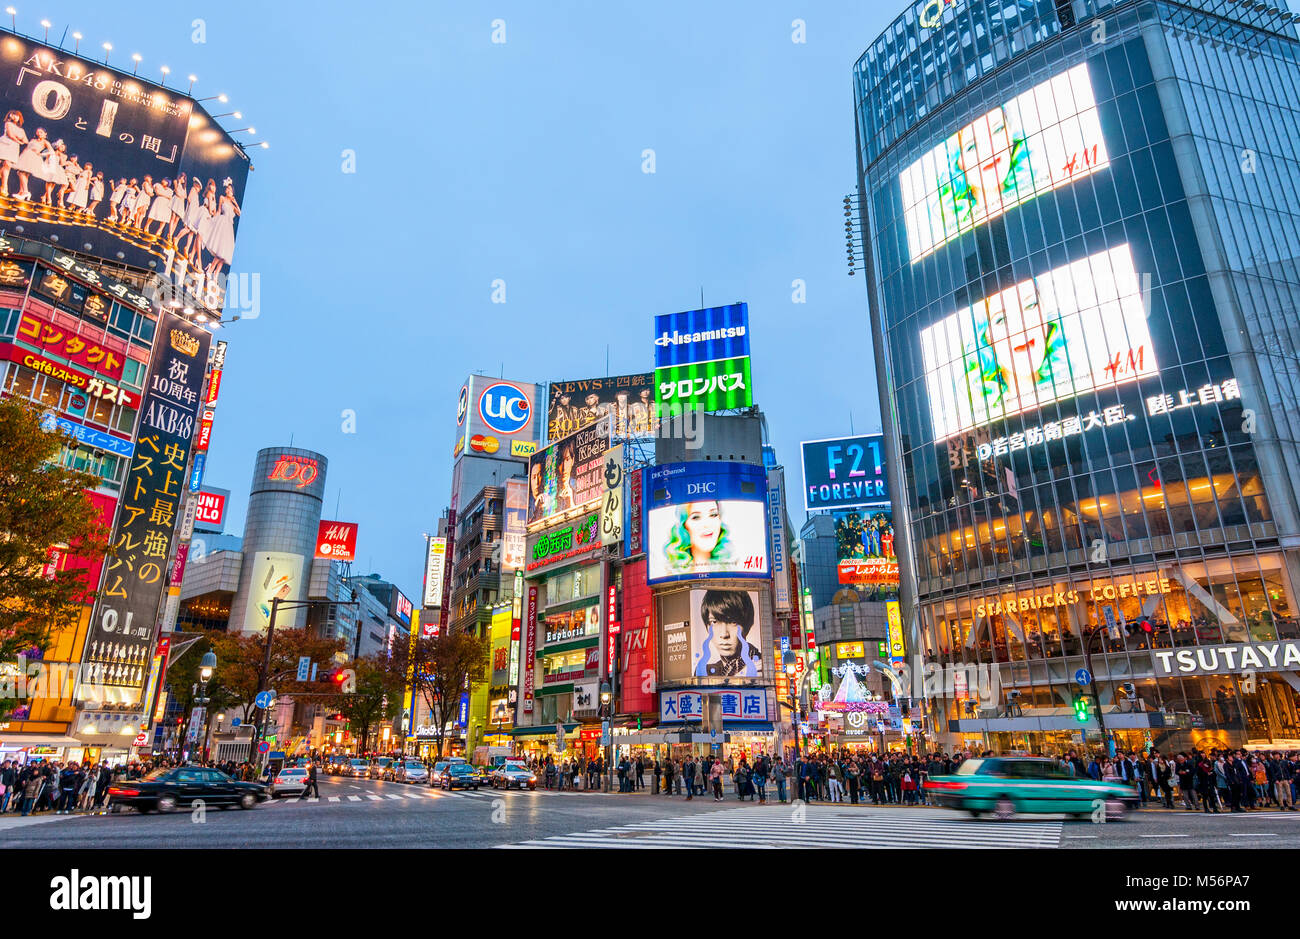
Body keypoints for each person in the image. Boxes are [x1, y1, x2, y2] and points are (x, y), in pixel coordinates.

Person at [694, 589, 762, 678]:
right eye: (714, 622)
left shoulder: (762, 665)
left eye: (733, 622)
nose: (724, 634)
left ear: (747, 625)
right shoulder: (705, 671)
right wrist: (739, 678)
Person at [664, 501, 734, 576]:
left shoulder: (733, 567)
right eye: (696, 517)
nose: (707, 524)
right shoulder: (669, 573)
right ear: (684, 527)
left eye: (713, 514)